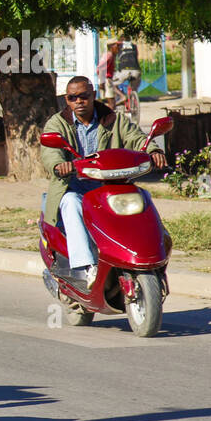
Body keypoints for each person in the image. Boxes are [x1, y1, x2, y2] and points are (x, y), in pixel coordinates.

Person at [41, 76, 166, 289]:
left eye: (84, 96)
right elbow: (50, 152)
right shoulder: (57, 123)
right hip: (73, 187)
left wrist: (152, 150)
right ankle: (85, 268)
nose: (79, 101)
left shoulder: (113, 119)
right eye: (73, 97)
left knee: (141, 199)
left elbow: (136, 138)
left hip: (109, 188)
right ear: (67, 100)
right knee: (71, 203)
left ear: (93, 95)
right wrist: (59, 164)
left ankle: (149, 254)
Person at [113, 40, 141, 110]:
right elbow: (136, 56)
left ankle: (122, 96)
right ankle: (133, 99)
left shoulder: (118, 47)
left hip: (124, 70)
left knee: (111, 84)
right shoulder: (134, 46)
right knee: (134, 88)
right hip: (136, 70)